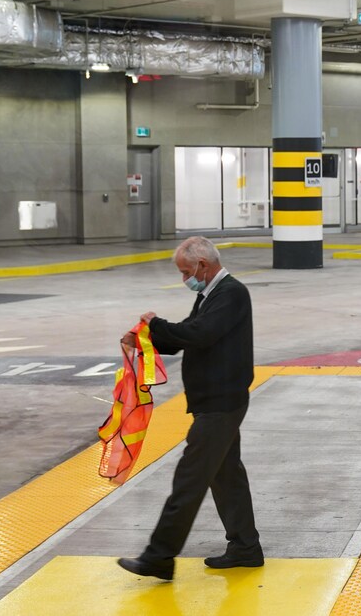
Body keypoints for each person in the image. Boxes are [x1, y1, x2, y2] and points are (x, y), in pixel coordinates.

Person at [117, 236, 262, 580]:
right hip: (215, 402)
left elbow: (199, 334)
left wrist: (156, 324)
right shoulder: (210, 294)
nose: (185, 279)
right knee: (226, 476)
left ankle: (159, 557)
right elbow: (187, 337)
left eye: (186, 272)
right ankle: (245, 547)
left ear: (203, 265)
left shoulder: (231, 293)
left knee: (189, 480)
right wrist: (146, 339)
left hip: (220, 405)